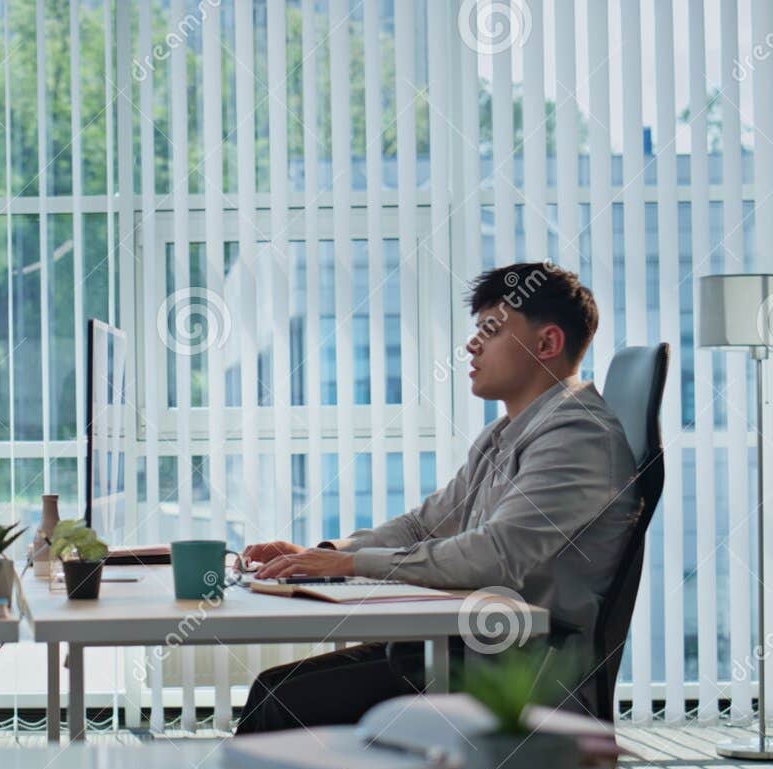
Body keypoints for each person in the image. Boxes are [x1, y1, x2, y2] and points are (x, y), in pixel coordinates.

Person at [235, 262, 641, 733]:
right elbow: (424, 525)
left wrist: (349, 567)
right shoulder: (508, 433)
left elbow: (495, 556)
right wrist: (328, 553)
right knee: (278, 690)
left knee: (283, 701)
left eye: (491, 330)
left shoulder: (577, 436)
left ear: (547, 343)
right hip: (464, 646)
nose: (472, 345)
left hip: (514, 671)